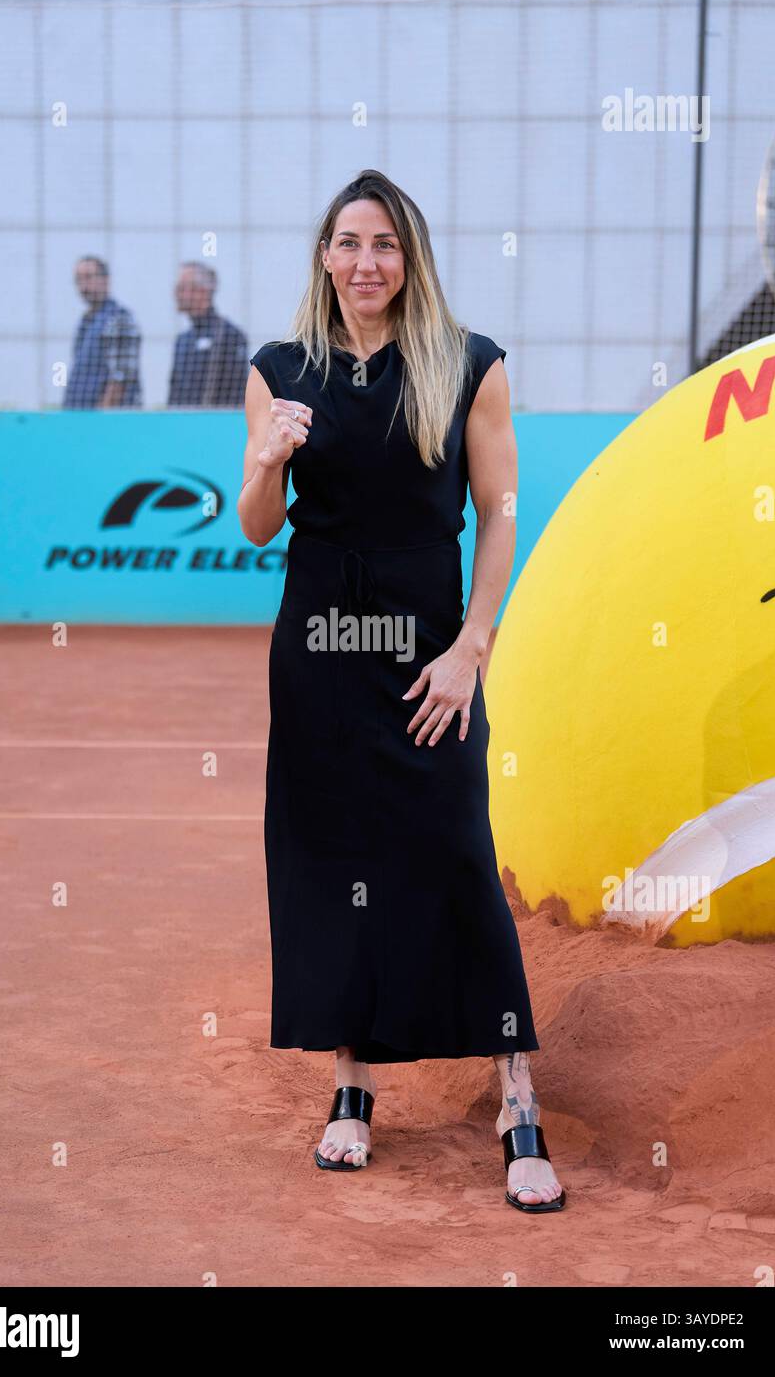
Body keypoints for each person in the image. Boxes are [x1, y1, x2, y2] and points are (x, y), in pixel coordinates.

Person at [239, 169, 565, 1212]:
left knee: (456, 854)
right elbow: (255, 524)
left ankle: (517, 1097)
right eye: (348, 243)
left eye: (384, 243)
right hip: (319, 655)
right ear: (323, 257)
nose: (365, 262)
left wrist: (472, 647)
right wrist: (265, 460)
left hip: (428, 654)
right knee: (332, 867)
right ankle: (350, 1088)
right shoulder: (280, 369)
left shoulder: (468, 364)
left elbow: (498, 511)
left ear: (407, 257)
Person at [63, 256, 142, 408]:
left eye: (89, 277)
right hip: (80, 418)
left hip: (106, 424)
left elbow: (121, 378)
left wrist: (101, 420)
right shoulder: (86, 322)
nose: (83, 286)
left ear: (106, 280)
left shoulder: (118, 320)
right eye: (78, 280)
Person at [168, 262, 249, 407]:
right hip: (182, 425)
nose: (176, 294)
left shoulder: (229, 335)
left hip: (216, 424)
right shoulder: (183, 340)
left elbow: (237, 394)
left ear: (202, 291)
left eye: (181, 288)